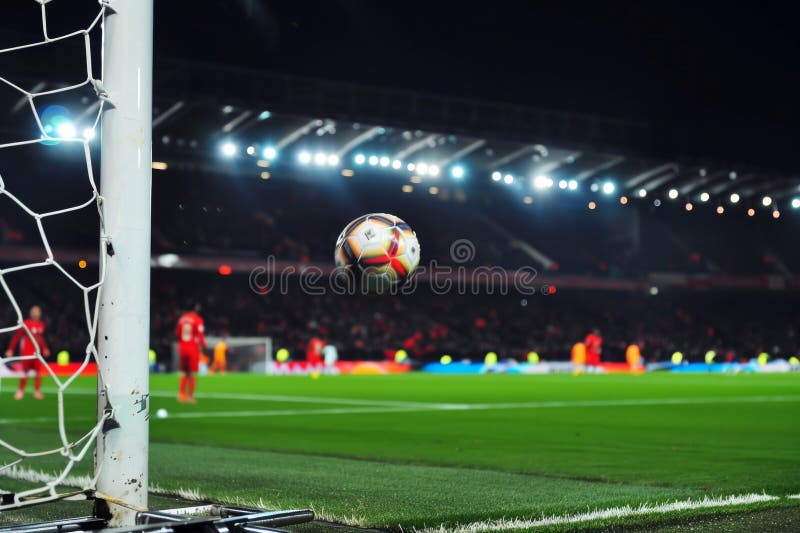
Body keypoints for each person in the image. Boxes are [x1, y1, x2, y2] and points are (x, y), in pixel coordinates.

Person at [5, 305, 50, 400]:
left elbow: (40, 338)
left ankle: (37, 392)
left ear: (40, 313)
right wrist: (11, 349)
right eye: (34, 311)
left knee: (38, 373)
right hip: (26, 353)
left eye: (37, 311)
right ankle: (20, 391)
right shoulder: (25, 323)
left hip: (37, 354)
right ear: (31, 313)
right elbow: (16, 337)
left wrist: (45, 348)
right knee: (24, 373)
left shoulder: (41, 324)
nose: (36, 313)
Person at [175, 304, 206, 403]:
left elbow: (177, 334)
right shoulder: (197, 319)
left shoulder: (182, 319)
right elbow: (200, 335)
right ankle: (190, 397)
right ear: (196, 309)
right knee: (192, 373)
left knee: (184, 372)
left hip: (182, 347)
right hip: (192, 348)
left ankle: (181, 395)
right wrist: (204, 346)